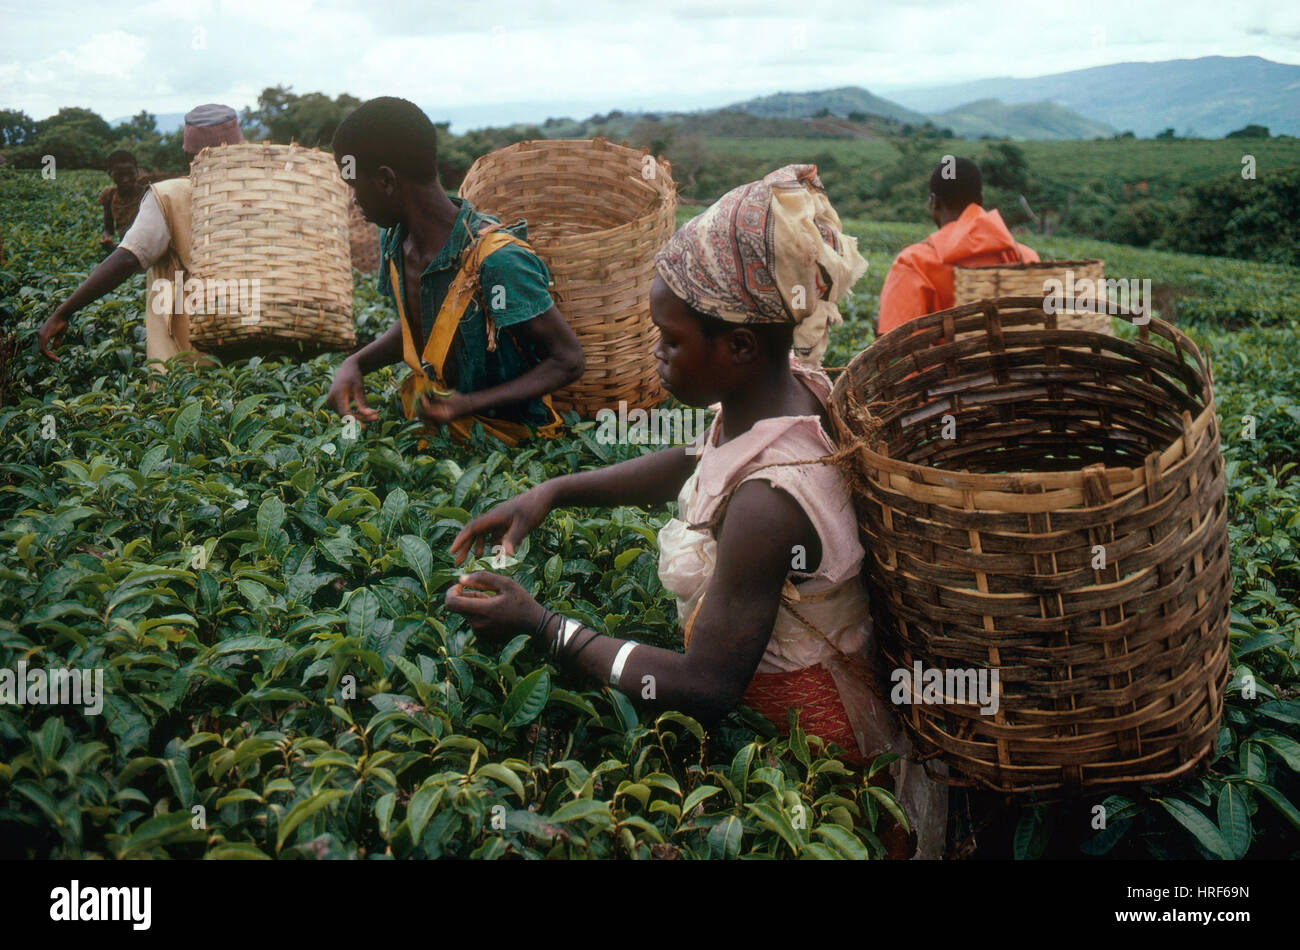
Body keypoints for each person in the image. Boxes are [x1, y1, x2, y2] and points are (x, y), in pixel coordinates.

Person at [444, 164, 947, 858]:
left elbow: (706, 686)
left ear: (739, 346)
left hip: (812, 749)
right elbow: (694, 459)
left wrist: (541, 626)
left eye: (672, 341)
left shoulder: (770, 506)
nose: (657, 354)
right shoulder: (786, 391)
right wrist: (554, 491)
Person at [326, 97, 584, 446]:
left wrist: (467, 404)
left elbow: (567, 360)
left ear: (386, 181)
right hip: (432, 431)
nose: (354, 201)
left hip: (505, 443)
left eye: (355, 187)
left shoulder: (496, 261)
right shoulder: (395, 243)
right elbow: (422, 321)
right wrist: (355, 363)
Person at [37, 104, 245, 370]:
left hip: (186, 362)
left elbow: (127, 259)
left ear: (187, 152)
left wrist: (61, 312)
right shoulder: (261, 196)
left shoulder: (170, 195)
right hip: (250, 353)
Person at [877, 157, 1039, 335]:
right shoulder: (1027, 257)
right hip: (1017, 362)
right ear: (980, 200)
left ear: (934, 202)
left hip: (950, 363)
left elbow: (896, 345)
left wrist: (879, 332)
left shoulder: (913, 263)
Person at [98, 150, 145, 253]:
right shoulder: (109, 195)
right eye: (119, 175)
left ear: (137, 171)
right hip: (124, 249)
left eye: (130, 173)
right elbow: (108, 229)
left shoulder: (147, 194)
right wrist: (106, 239)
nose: (125, 179)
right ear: (110, 174)